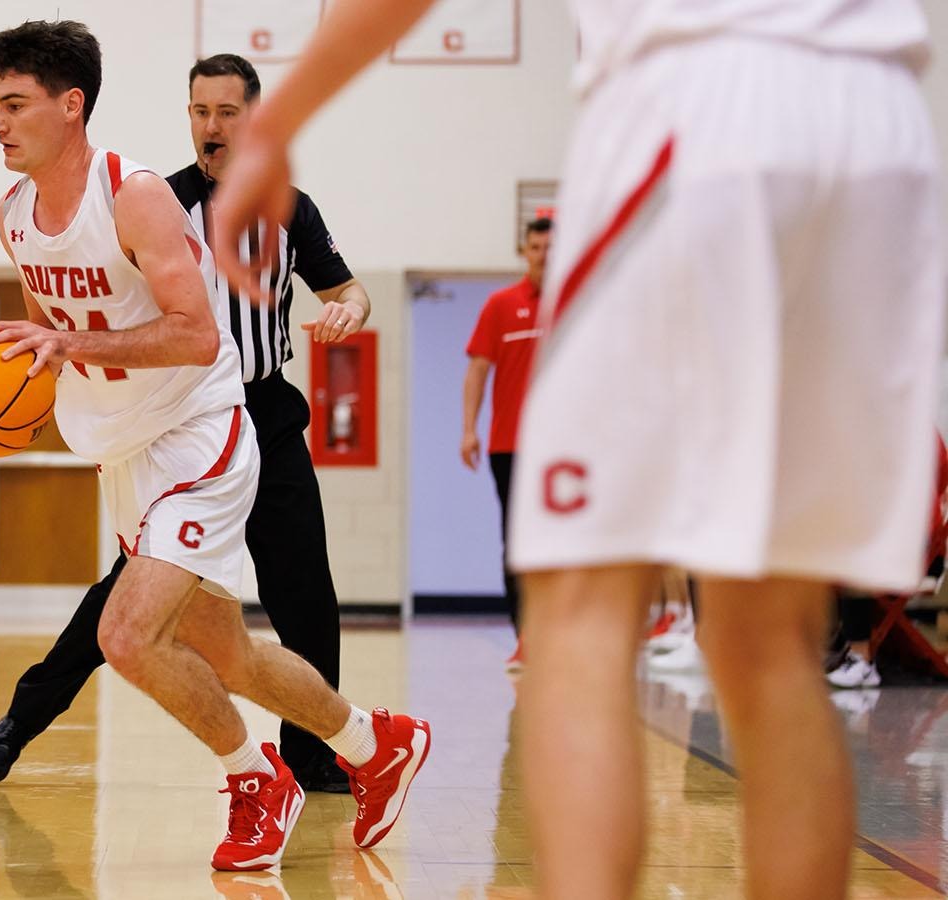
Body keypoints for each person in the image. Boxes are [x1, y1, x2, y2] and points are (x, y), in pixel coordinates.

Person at [211, 1, 943, 897]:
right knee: (771, 638)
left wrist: (278, 123)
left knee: (582, 618)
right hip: (880, 129)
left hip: (703, 96)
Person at [0, 20, 429, 871]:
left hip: (203, 429)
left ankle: (260, 778)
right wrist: (21, 393)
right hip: (128, 452)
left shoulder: (136, 195)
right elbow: (56, 333)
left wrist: (71, 345)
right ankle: (378, 745)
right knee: (227, 651)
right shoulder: (13, 216)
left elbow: (194, 335)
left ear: (70, 105)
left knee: (129, 634)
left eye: (14, 104)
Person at [461, 216, 551, 670]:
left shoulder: (578, 300)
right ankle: (526, 638)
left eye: (551, 248)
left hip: (563, 449)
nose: (544, 255)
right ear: (524, 251)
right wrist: (469, 429)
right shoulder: (501, 305)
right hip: (510, 446)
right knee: (517, 543)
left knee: (561, 543)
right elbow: (478, 369)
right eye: (536, 247)